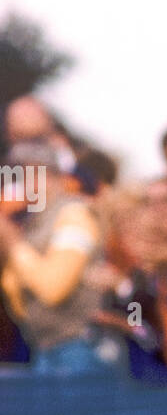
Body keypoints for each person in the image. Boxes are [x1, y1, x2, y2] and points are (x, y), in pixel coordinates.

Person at [0, 138, 107, 374]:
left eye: (27, 175)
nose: (21, 185)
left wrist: (13, 243)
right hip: (46, 349)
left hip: (79, 348)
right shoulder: (34, 222)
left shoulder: (75, 214)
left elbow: (53, 289)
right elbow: (18, 304)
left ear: (50, 175)